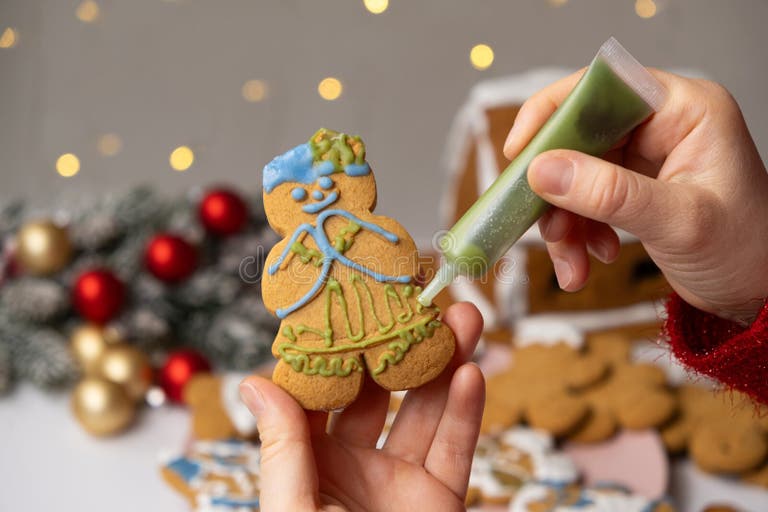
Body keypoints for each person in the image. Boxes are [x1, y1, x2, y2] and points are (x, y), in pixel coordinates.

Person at [240, 69, 768, 511]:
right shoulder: (294, 251)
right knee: (330, 360)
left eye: (327, 189)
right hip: (324, 327)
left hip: (384, 315)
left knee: (416, 345)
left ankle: (408, 348)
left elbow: (398, 256)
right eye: (304, 195)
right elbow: (282, 291)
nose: (319, 202)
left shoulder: (376, 234)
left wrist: (748, 289)